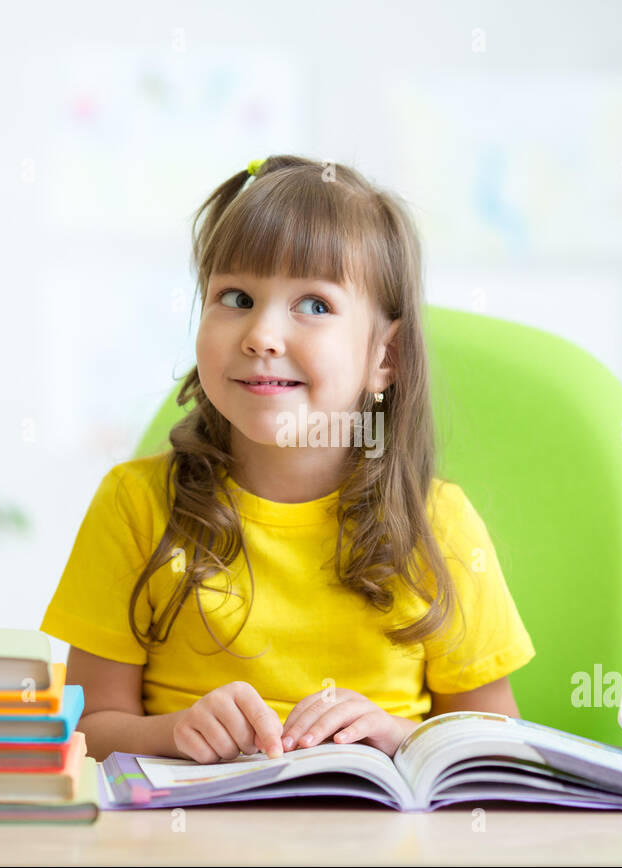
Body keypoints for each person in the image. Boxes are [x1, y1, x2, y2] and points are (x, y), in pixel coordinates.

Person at [41, 154, 535, 764]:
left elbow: (498, 746)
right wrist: (173, 732)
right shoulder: (135, 505)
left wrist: (399, 736)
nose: (261, 335)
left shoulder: (438, 525)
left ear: (387, 356)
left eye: (315, 305)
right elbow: (87, 727)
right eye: (237, 297)